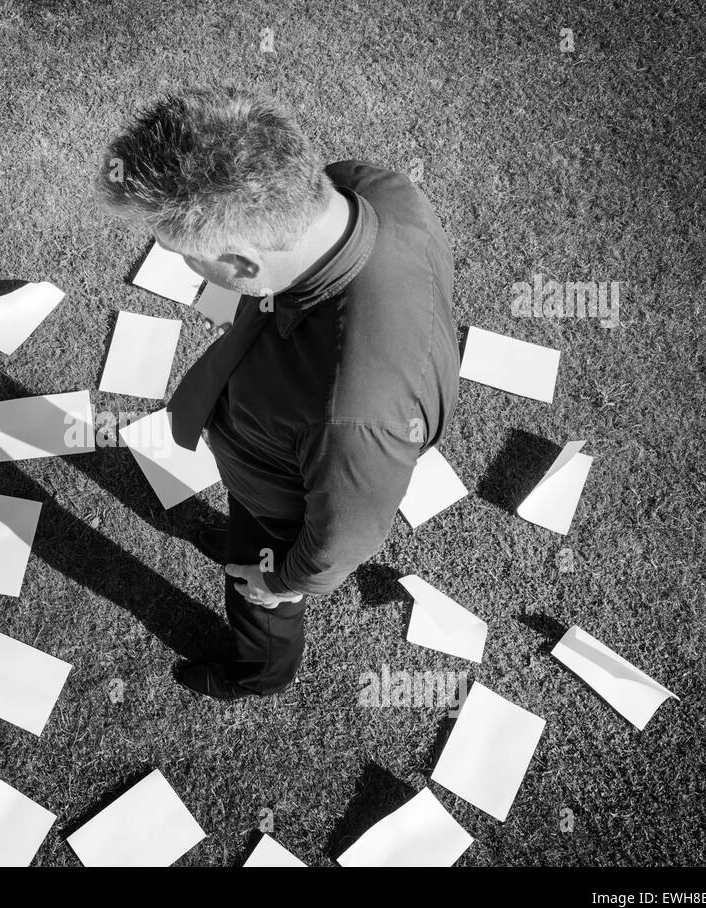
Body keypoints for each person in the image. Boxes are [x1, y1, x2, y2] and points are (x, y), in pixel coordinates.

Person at [98, 87, 460, 699]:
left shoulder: (353, 415)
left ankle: (260, 669)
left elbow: (345, 537)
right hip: (269, 465)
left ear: (241, 265)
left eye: (185, 256)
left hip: (280, 507)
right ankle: (243, 543)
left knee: (256, 590)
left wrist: (284, 580)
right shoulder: (370, 190)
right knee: (246, 541)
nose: (182, 266)